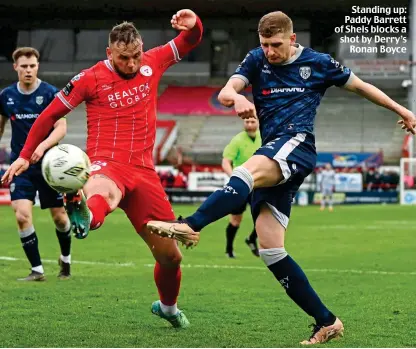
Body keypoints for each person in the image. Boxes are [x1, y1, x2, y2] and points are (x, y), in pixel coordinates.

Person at [144, 11, 416, 344]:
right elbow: (227, 92)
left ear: (292, 39)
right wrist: (239, 97)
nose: (270, 52)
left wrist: (403, 110)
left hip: (296, 144)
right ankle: (326, 321)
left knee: (246, 171)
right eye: (264, 44)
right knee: (271, 248)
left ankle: (193, 224)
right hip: (274, 147)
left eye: (275, 45)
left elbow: (361, 87)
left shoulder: (318, 63)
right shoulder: (257, 59)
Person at [2, 10, 203, 328]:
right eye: (124, 58)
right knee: (102, 195)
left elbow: (190, 40)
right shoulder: (90, 78)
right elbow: (48, 116)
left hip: (145, 172)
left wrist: (195, 25)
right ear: (110, 53)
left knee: (171, 257)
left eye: (136, 56)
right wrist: (26, 156)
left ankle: (167, 307)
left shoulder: (153, 61)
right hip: (107, 165)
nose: (132, 64)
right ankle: (82, 214)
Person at [0, 47, 71, 281]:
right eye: (24, 66)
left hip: (49, 165)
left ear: (37, 67)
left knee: (60, 217)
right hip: (20, 166)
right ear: (16, 67)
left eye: (32, 66)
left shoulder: (51, 94)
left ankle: (66, 259)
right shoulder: (6, 96)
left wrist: (42, 146)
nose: (28, 70)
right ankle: (37, 270)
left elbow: (61, 126)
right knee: (21, 215)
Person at [222, 118, 261, 258]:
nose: (249, 124)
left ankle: (251, 239)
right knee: (235, 219)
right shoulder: (237, 140)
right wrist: (234, 177)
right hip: (242, 185)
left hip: (259, 184)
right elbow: (226, 161)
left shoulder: (264, 137)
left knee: (265, 217)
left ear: (258, 122)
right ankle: (229, 250)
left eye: (252, 121)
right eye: (247, 122)